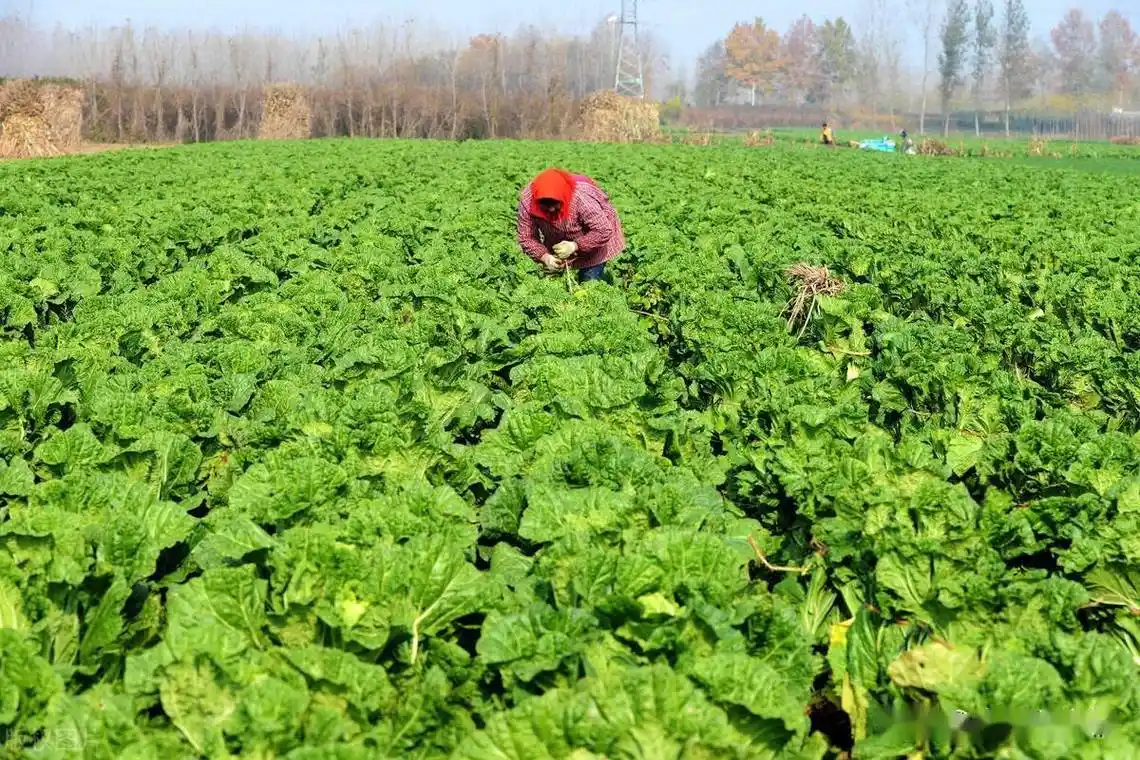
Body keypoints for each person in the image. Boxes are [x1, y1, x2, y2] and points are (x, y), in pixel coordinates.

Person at [517, 168, 625, 282]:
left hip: (594, 239)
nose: (551, 209)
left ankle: (602, 283)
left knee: (589, 281)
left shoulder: (580, 197)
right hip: (556, 239)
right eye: (546, 205)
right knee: (553, 282)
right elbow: (526, 236)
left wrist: (574, 246)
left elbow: (602, 230)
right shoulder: (528, 201)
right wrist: (545, 257)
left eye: (555, 204)